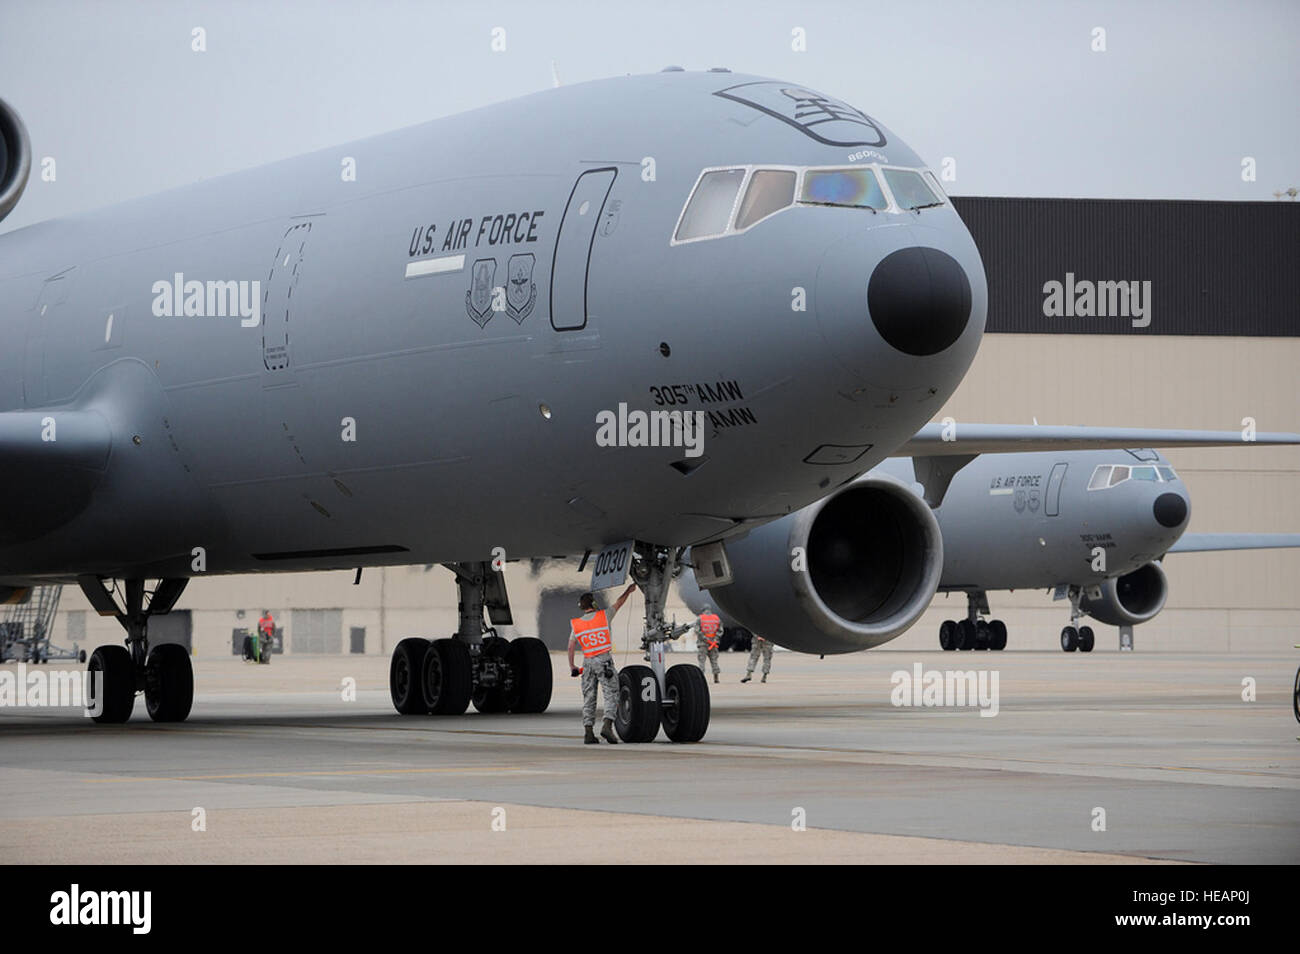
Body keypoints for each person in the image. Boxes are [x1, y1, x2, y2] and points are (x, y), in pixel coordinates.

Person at [567, 584, 637, 744]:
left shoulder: (576, 624)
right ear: (594, 605)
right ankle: (607, 725)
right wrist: (628, 590)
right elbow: (619, 603)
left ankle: (588, 732)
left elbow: (571, 646)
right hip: (604, 662)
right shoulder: (604, 616)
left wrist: (573, 666)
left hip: (588, 662)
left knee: (589, 697)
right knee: (611, 693)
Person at [694, 605, 722, 684]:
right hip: (713, 643)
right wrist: (715, 640)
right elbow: (720, 631)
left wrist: (705, 639)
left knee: (702, 661)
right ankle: (716, 678)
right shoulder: (716, 618)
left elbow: (697, 631)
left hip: (703, 644)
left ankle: (701, 678)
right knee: (714, 661)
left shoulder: (700, 618)